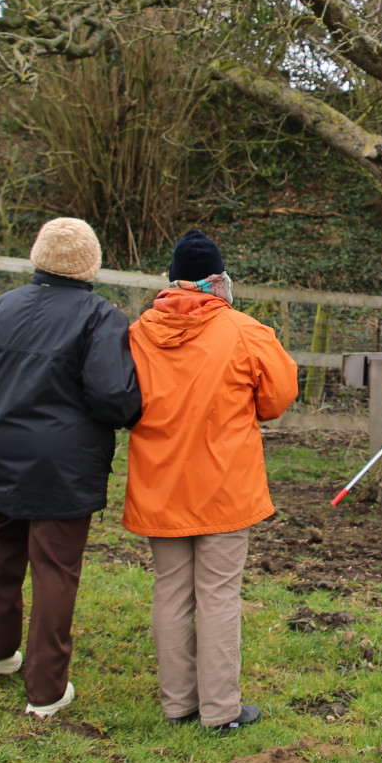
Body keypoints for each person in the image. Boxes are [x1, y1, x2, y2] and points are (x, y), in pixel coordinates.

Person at [0, 218, 142, 719]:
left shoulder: (1, 306)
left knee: (0, 544)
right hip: (64, 460)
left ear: (38, 257)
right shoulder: (101, 318)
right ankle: (46, 688)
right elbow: (113, 396)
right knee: (55, 567)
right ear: (91, 264)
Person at [124, 229, 298, 733]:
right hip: (224, 486)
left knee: (171, 590)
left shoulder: (138, 333)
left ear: (172, 280)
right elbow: (278, 398)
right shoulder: (245, 331)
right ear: (219, 280)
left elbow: (121, 398)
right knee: (219, 593)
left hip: (160, 485)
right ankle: (220, 711)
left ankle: (178, 704)